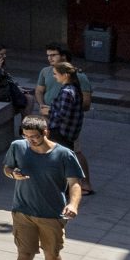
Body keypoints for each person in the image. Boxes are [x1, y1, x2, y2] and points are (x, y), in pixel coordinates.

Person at [2, 110, 87, 260]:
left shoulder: (64, 154)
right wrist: (13, 174)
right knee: (24, 254)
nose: (30, 141)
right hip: (22, 211)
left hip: (51, 214)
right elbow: (7, 168)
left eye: (34, 137)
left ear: (45, 132)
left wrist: (73, 204)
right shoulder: (17, 147)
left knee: (52, 253)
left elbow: (75, 183)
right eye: (26, 136)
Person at [44, 54, 95, 197]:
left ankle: (64, 189)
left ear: (65, 75)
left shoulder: (67, 92)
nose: (54, 77)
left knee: (59, 162)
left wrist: (50, 112)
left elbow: (63, 114)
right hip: (68, 133)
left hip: (61, 132)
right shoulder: (73, 89)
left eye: (55, 74)